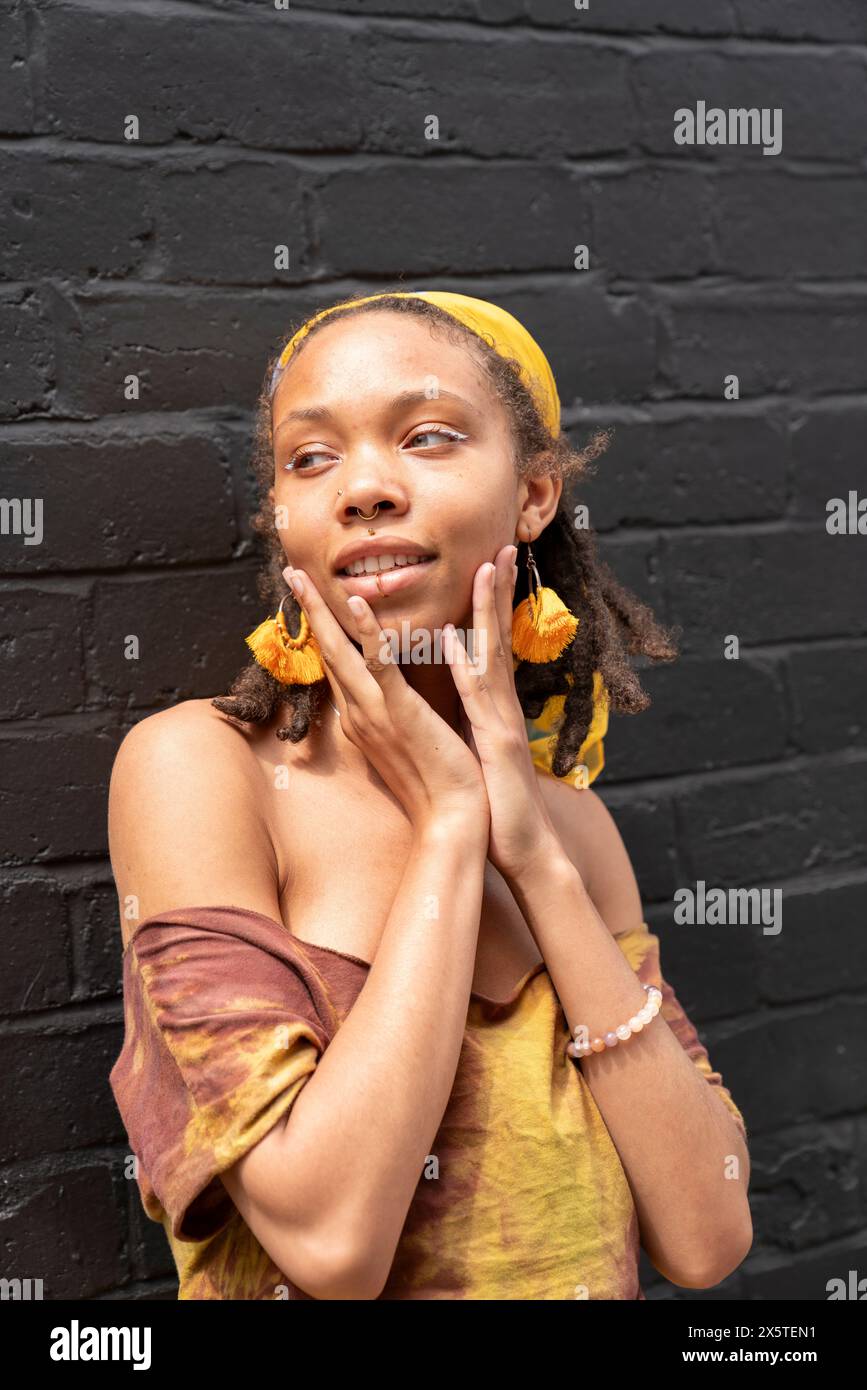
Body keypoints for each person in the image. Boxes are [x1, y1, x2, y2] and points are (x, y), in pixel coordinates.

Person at [108, 289, 752, 1300]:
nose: (363, 487)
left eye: (428, 437)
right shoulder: (203, 772)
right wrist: (452, 826)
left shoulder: (574, 828)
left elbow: (707, 1236)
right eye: (310, 458)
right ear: (282, 517)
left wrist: (533, 859)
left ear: (534, 495)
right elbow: (332, 1248)